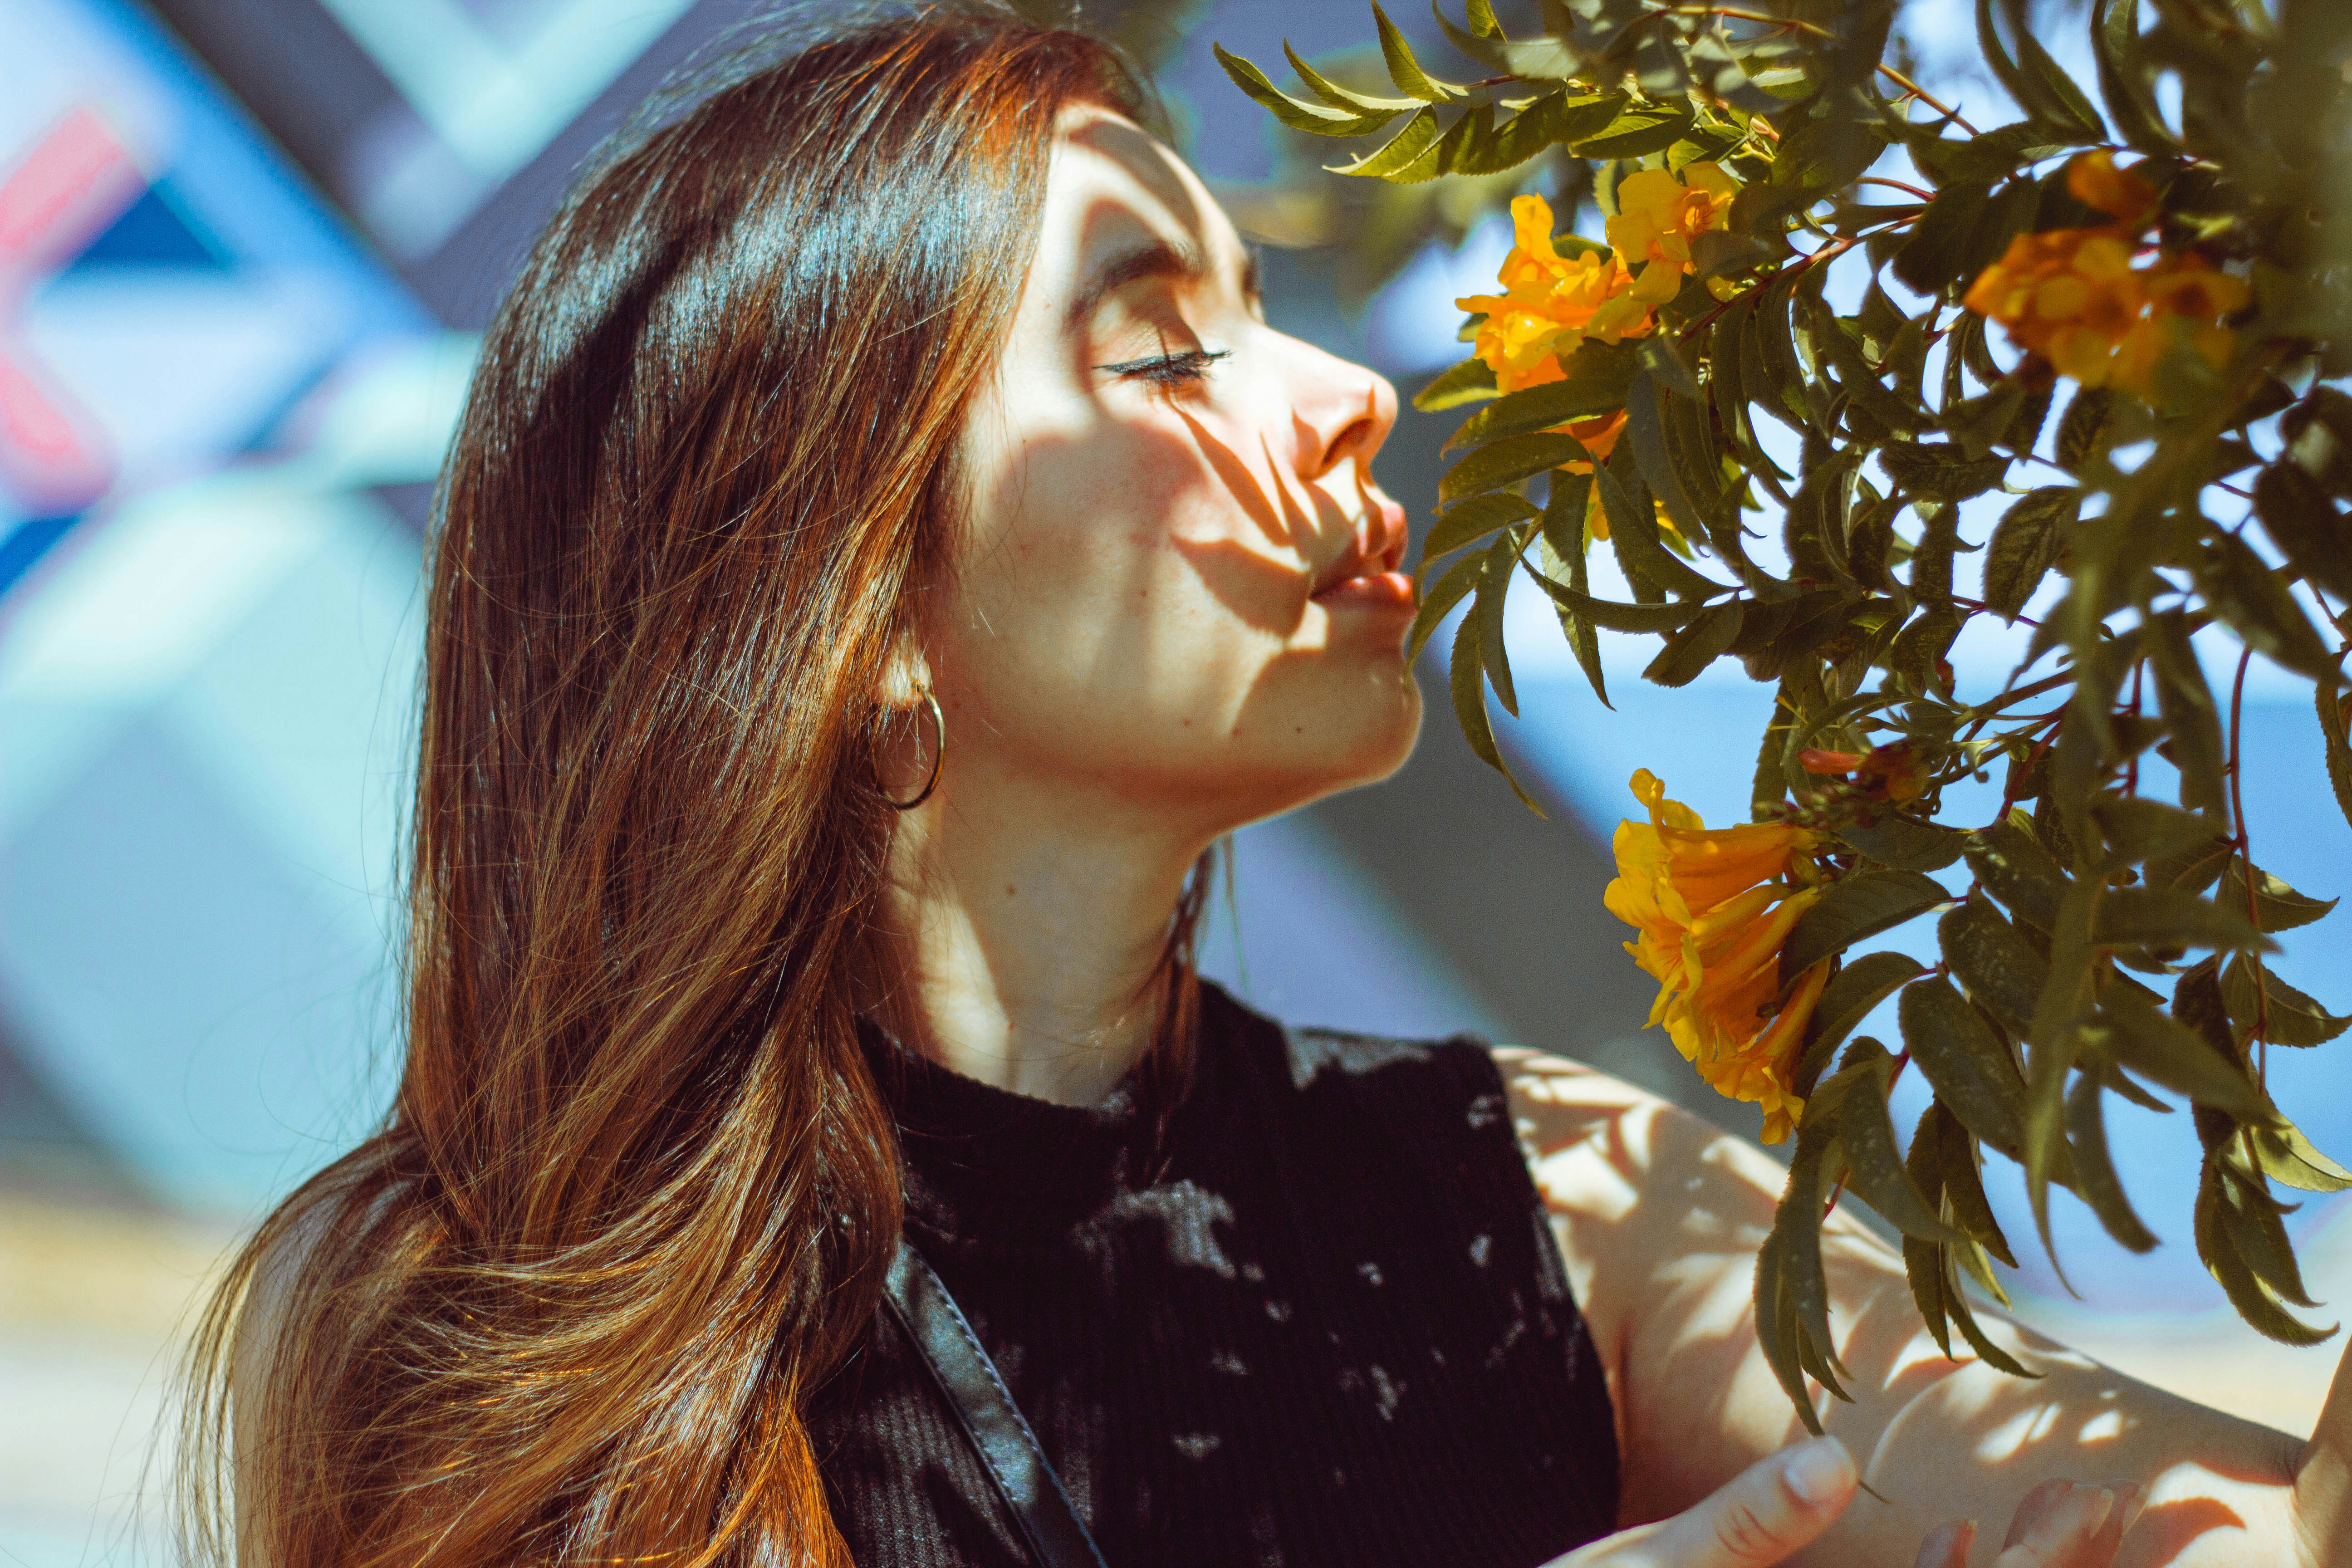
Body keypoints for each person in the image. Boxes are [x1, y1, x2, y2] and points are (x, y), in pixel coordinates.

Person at [178, 8, 2352, 1568]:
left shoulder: (1563, 1197)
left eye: (1264, 305)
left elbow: (2237, 1538)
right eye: (1161, 346)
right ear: (853, 629)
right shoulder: (455, 1312)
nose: (1346, 391)